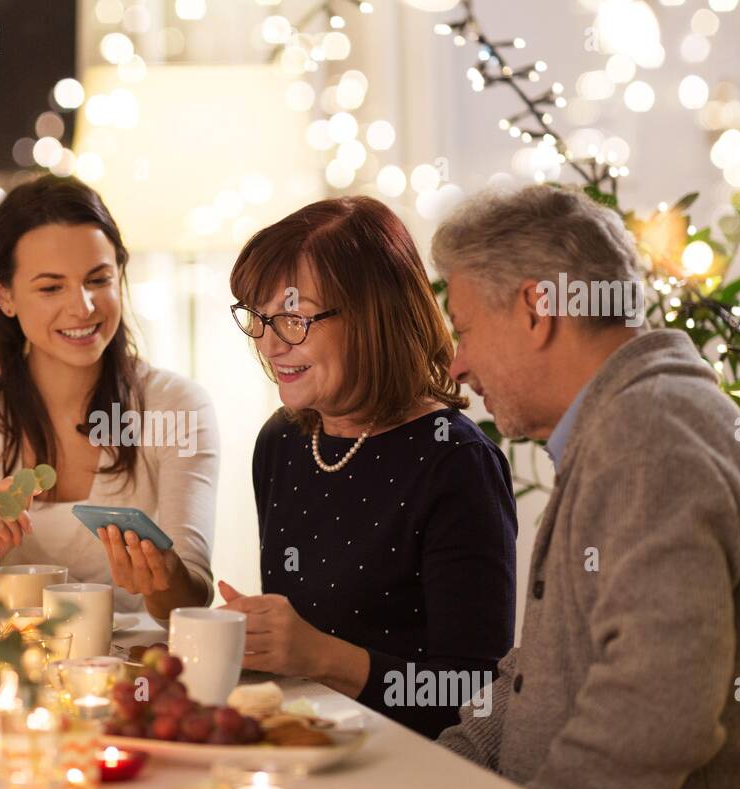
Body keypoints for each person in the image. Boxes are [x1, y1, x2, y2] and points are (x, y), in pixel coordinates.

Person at [432, 184, 740, 789]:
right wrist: (439, 781)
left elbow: (657, 713)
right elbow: (536, 672)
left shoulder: (648, 436)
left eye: (465, 328)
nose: (458, 363)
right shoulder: (630, 423)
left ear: (537, 309)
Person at [217, 196, 516, 739]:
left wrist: (319, 655)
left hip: (415, 776)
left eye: (293, 317)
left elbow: (473, 696)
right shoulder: (283, 441)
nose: (269, 343)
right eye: (259, 317)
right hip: (311, 751)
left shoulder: (456, 463)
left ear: (375, 314)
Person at [0, 175, 217, 619]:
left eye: (98, 280)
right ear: (5, 297)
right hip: (4, 678)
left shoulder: (177, 407)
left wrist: (163, 575)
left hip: (134, 677)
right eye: (52, 287)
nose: (83, 307)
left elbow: (192, 602)